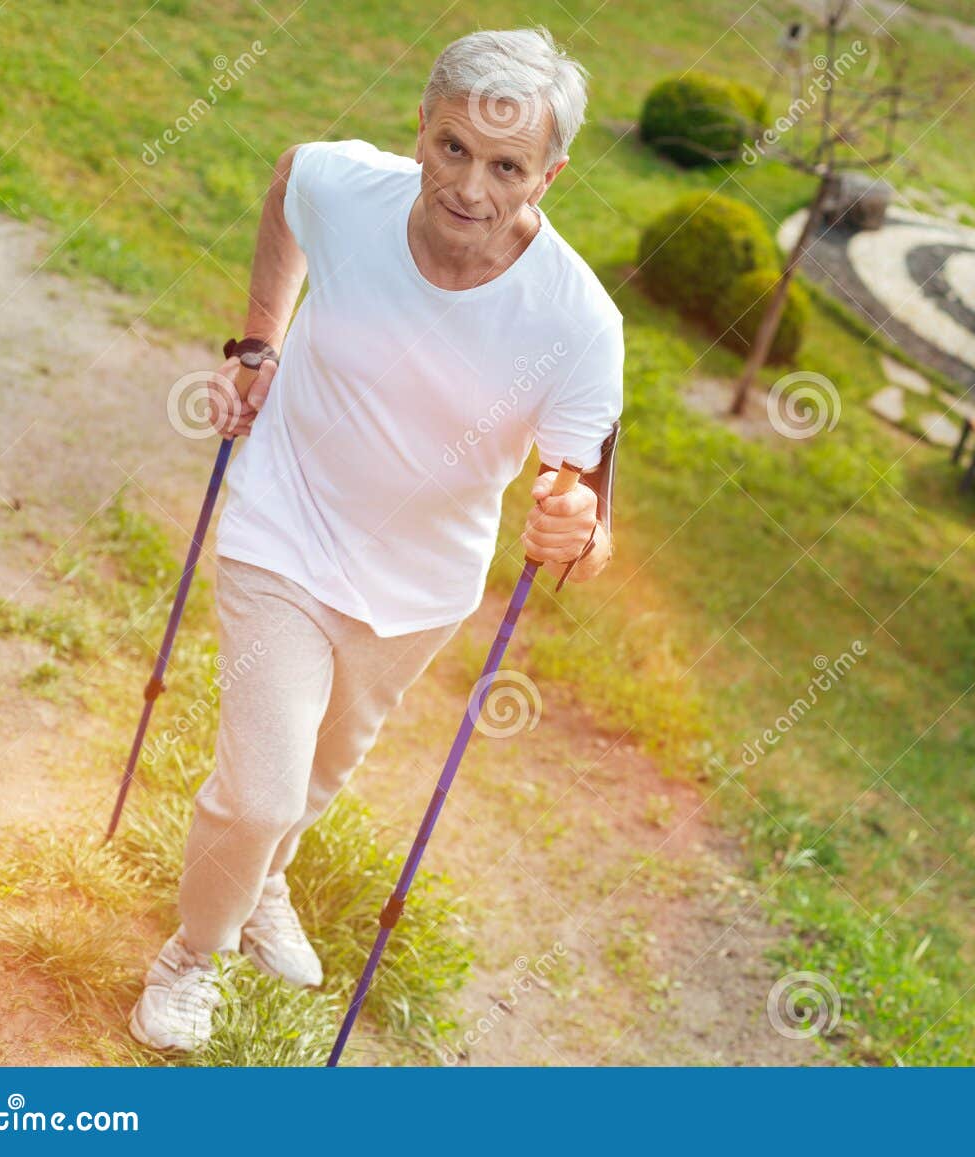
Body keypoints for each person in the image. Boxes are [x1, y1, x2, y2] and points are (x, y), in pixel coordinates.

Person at [128, 26, 622, 1052]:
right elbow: (285, 184)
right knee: (261, 783)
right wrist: (261, 340)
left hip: (418, 588)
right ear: (423, 128)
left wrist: (575, 528)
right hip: (284, 521)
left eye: (506, 167)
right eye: (452, 149)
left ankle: (261, 884)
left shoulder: (578, 319)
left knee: (314, 777)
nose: (470, 189)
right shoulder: (350, 188)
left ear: (550, 173)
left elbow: (582, 511)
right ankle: (190, 956)